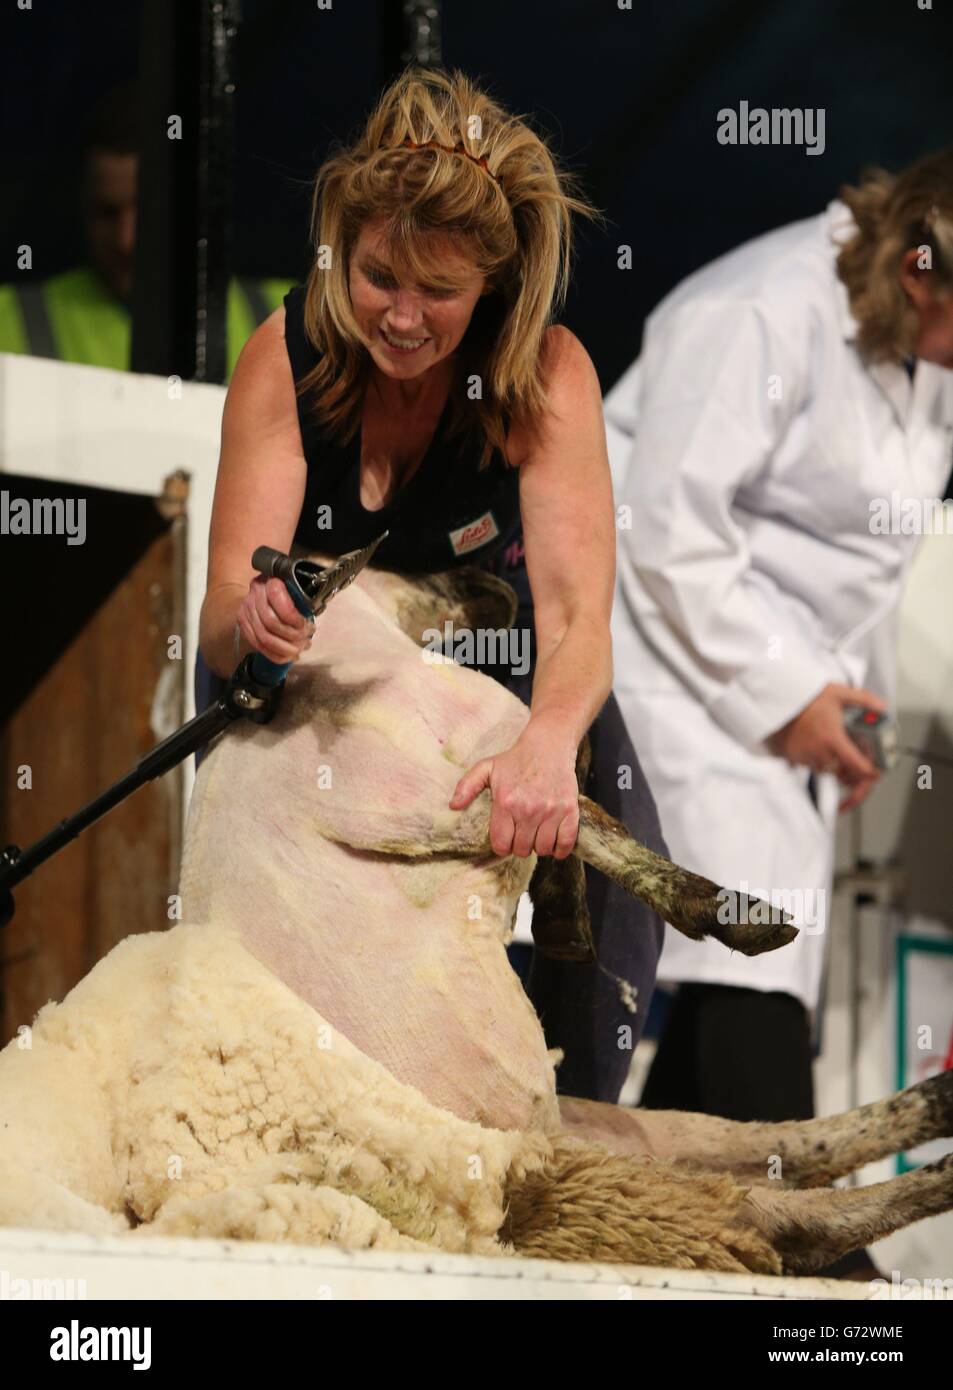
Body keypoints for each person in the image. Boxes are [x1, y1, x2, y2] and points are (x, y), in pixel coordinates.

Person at [196, 66, 667, 1103]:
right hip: (317, 693)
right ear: (342, 250)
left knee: (619, 888)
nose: (400, 318)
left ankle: (563, 1157)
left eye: (437, 293)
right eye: (377, 278)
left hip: (504, 683)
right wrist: (259, 622)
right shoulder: (284, 355)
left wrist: (547, 745)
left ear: (489, 287)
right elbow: (222, 623)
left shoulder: (546, 376)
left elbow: (583, 618)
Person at [605, 148, 953, 1125]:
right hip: (664, 649)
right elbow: (664, 527)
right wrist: (784, 696)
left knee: (751, 951)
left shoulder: (923, 349)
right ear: (917, 276)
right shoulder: (759, 310)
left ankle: (686, 1218)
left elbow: (863, 563)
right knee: (749, 931)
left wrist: (852, 718)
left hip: (772, 679)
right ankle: (801, 1233)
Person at [0, 82, 293, 376]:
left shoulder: (295, 319)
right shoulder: (8, 320)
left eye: (146, 213)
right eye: (106, 213)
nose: (125, 240)